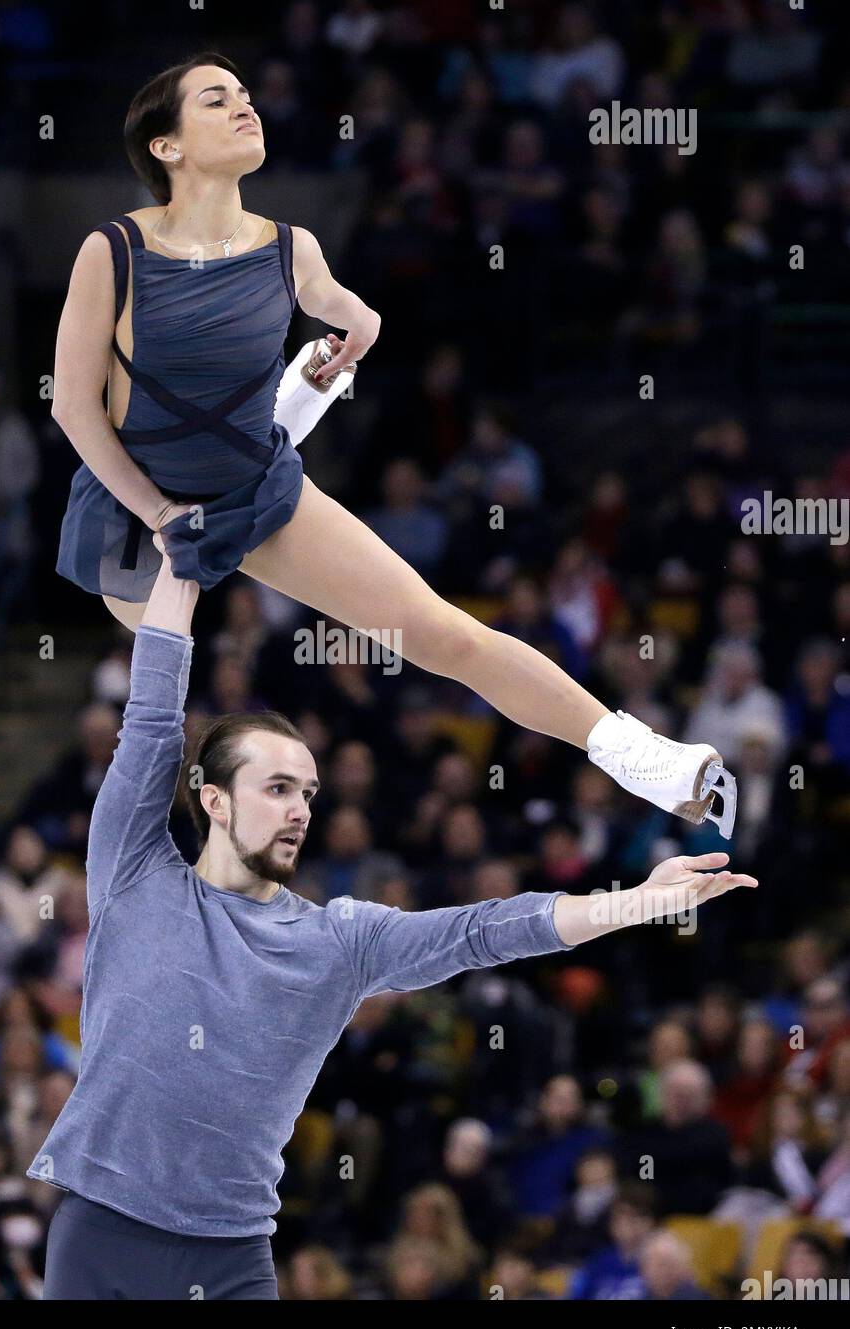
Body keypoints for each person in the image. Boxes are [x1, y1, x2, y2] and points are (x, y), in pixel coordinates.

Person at [29, 538, 755, 1300]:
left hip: (229, 1256)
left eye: (308, 793)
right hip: (98, 1233)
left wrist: (642, 902)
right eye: (278, 788)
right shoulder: (133, 868)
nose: (301, 811)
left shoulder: (339, 939)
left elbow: (487, 930)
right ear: (213, 800)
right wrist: (177, 552)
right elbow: (150, 723)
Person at [49, 51, 737, 837]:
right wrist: (162, 512)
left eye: (246, 94)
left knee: (444, 634)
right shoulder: (113, 251)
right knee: (169, 688)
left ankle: (636, 755)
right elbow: (73, 406)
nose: (246, 106)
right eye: (217, 100)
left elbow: (353, 317)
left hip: (253, 492)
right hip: (140, 512)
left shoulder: (290, 247)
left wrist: (350, 341)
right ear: (167, 146)